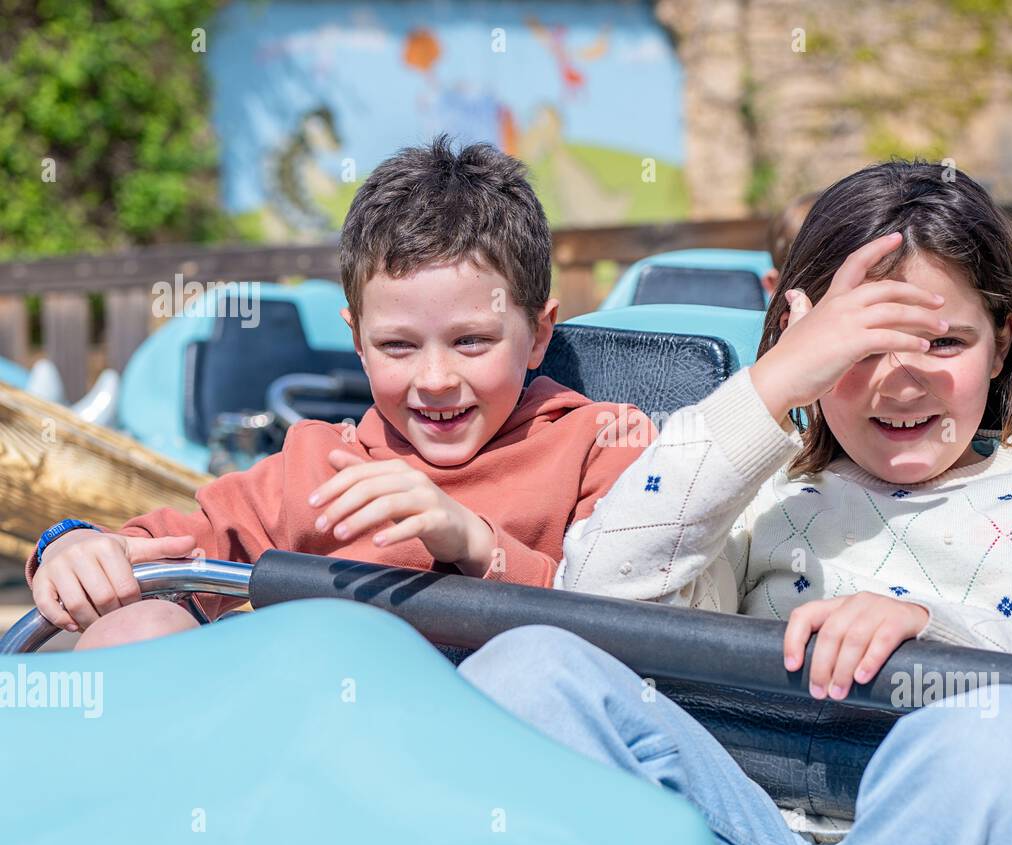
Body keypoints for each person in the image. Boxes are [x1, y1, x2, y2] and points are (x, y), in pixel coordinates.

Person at [458, 160, 1012, 845]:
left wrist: (944, 644)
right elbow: (597, 600)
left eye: (943, 342)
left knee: (1010, 740)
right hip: (743, 828)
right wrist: (772, 384)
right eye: (860, 347)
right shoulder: (753, 492)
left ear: (1002, 342)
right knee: (527, 666)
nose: (901, 382)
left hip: (959, 828)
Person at [27, 136, 652, 648]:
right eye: (398, 347)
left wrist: (473, 542)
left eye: (471, 342)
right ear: (357, 340)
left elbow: (625, 630)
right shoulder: (319, 464)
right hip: (322, 752)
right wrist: (75, 546)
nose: (434, 380)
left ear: (539, 334)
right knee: (136, 623)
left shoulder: (600, 445)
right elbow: (168, 547)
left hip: (520, 752)